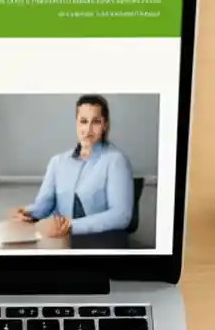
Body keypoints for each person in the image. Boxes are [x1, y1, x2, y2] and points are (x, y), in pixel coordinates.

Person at [10, 94, 134, 239]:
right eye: (83, 121)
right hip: (61, 240)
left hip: (102, 241)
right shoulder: (57, 162)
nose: (88, 130)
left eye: (96, 122)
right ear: (76, 123)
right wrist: (26, 212)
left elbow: (121, 216)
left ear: (105, 125)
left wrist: (71, 226)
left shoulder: (116, 160)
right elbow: (42, 207)